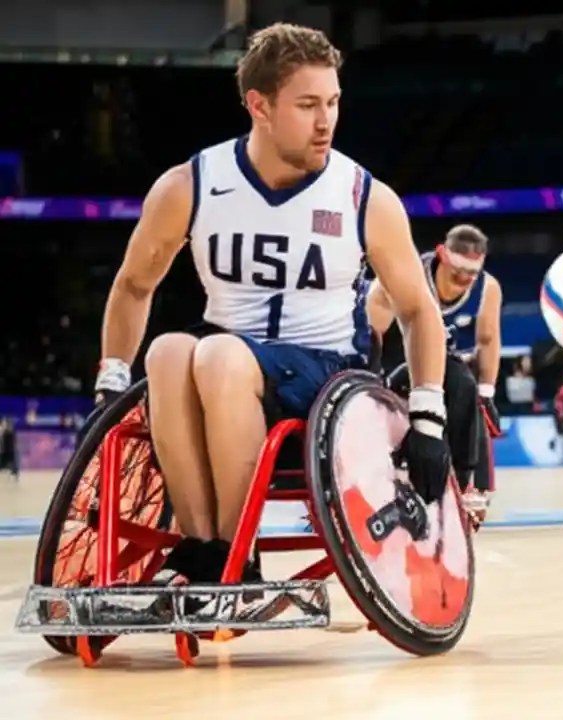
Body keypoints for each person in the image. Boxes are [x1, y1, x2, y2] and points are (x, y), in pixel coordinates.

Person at [92, 23, 453, 590]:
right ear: (258, 105)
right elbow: (134, 284)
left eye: (333, 102)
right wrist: (112, 380)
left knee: (218, 357)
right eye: (308, 104)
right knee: (166, 352)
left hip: (330, 375)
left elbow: (418, 310)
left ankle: (241, 559)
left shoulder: (364, 196)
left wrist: (429, 415)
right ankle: (202, 548)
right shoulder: (192, 185)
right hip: (227, 362)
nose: (326, 121)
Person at [367, 224, 503, 522]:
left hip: (440, 367)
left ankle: (466, 482)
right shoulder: (408, 274)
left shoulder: (486, 289)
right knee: (455, 377)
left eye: (472, 274)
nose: (465, 280)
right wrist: (369, 380)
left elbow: (488, 341)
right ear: (442, 254)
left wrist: (488, 391)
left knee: (466, 385)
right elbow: (371, 331)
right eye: (458, 272)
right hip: (395, 361)